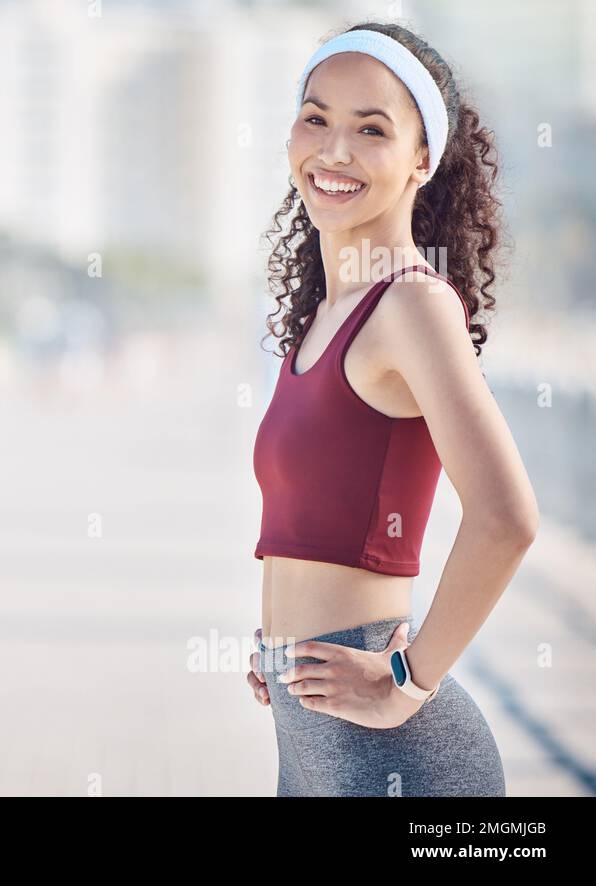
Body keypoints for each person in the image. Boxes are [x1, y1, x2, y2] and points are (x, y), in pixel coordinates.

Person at [247, 21, 539, 796]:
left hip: (392, 752)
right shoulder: (323, 315)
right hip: (310, 731)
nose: (334, 150)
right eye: (316, 117)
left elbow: (507, 517)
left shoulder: (412, 304)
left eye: (370, 128)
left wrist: (406, 680)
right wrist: (280, 645)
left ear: (421, 161)